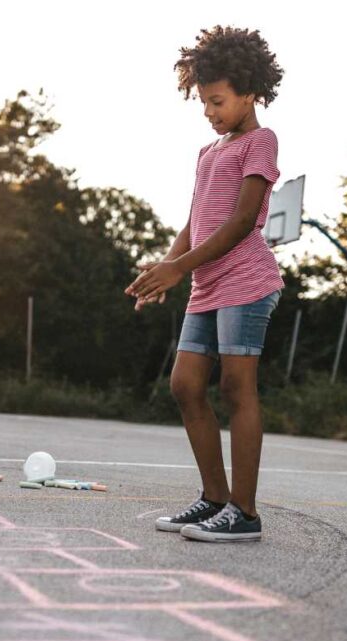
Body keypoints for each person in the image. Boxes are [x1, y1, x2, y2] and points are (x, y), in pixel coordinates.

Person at [127, 26, 285, 542]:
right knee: (184, 385)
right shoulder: (208, 151)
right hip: (206, 281)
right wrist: (166, 269)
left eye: (217, 101)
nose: (209, 111)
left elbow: (241, 221)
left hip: (246, 278)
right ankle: (214, 498)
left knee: (237, 387)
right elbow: (196, 220)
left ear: (249, 92)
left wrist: (181, 266)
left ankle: (244, 512)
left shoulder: (261, 142)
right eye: (203, 102)